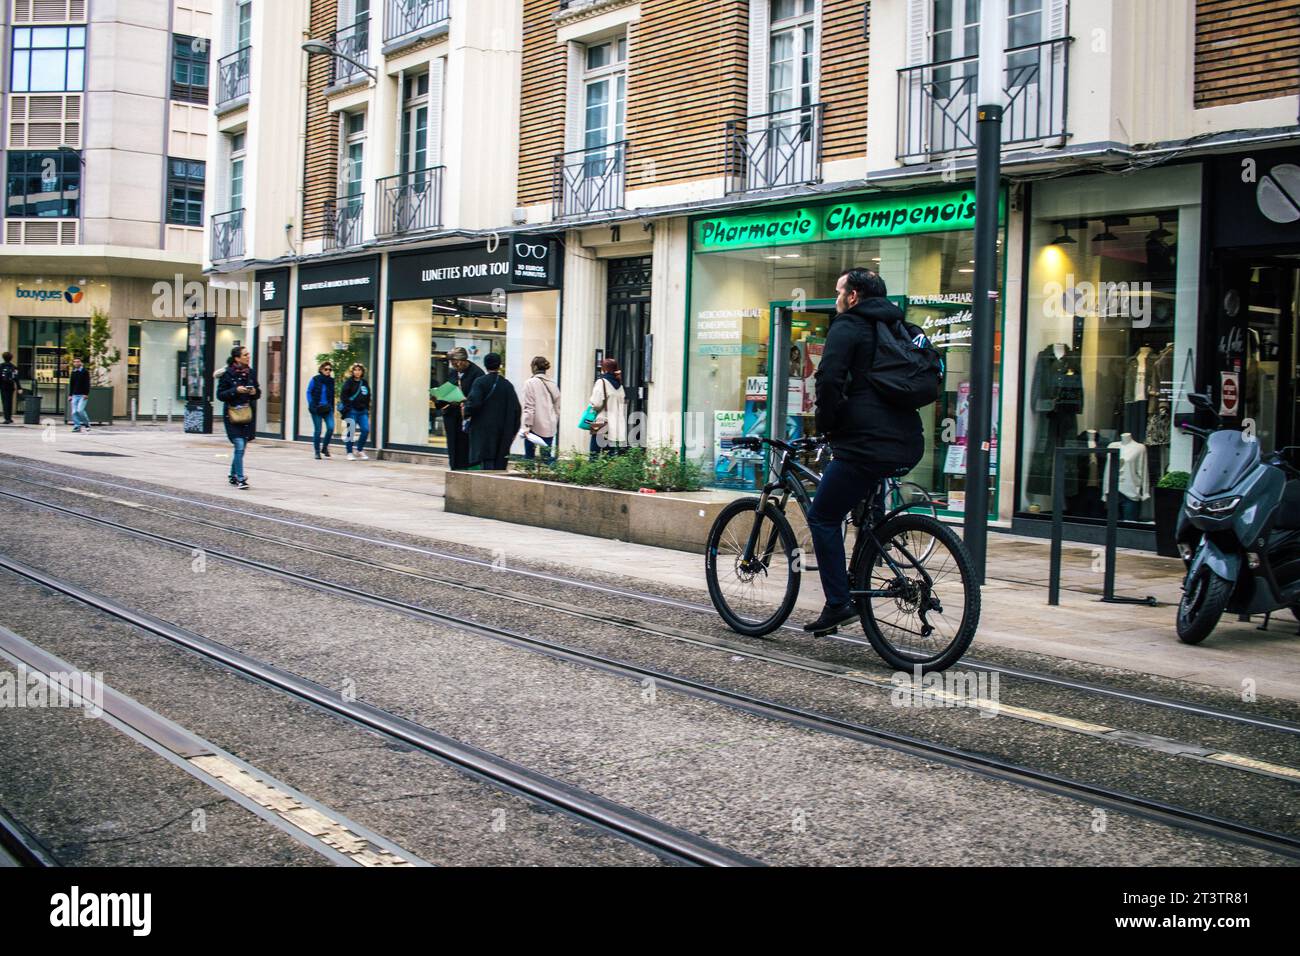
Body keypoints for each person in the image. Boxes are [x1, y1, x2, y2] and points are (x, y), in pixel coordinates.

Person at [802, 268, 925, 635]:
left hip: (865, 444)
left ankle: (838, 603)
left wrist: (827, 426)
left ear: (853, 296)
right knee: (863, 515)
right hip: (907, 442)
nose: (836, 297)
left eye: (839, 290)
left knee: (823, 516)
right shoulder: (903, 328)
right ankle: (867, 559)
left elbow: (828, 380)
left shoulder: (848, 326)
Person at [464, 352, 521, 471]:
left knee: (485, 462)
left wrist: (465, 410)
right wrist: (513, 431)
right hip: (502, 432)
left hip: (483, 431)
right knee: (499, 464)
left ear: (485, 365)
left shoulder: (480, 382)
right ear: (500, 365)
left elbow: (473, 404)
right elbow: (516, 410)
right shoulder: (507, 385)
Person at [216, 346, 261, 490]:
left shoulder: (251, 373)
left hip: (247, 414)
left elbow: (258, 392)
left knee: (242, 446)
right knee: (239, 445)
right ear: (237, 358)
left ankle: (233, 474)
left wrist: (254, 392)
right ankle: (240, 479)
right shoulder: (227, 374)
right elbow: (220, 395)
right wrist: (235, 390)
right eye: (245, 355)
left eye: (248, 354)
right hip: (232, 414)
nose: (248, 356)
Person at [438, 347, 483, 470]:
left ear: (464, 360)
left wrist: (463, 401)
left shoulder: (477, 374)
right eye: (453, 364)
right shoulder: (453, 372)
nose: (455, 366)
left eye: (457, 363)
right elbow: (448, 388)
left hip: (465, 416)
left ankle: (463, 469)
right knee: (452, 445)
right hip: (451, 414)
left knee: (464, 445)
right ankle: (453, 467)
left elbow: (477, 397)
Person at [519, 355, 561, 462]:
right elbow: (557, 406)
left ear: (534, 367)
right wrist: (554, 420)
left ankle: (530, 476)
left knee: (529, 458)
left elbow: (529, 407)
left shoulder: (530, 383)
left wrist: (526, 427)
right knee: (546, 457)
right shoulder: (552, 383)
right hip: (549, 426)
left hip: (534, 426)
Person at [589, 358, 627, 456]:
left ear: (604, 369)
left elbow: (596, 403)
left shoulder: (601, 382)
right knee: (610, 455)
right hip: (616, 424)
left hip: (602, 423)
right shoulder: (620, 385)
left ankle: (594, 472)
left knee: (595, 454)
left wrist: (592, 407)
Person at [339, 363, 372, 461]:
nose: (357, 372)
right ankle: (349, 452)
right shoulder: (349, 382)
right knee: (351, 431)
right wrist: (348, 407)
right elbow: (343, 396)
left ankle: (359, 449)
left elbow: (368, 395)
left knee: (365, 430)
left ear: (362, 372)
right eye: (355, 370)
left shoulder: (364, 383)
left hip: (363, 411)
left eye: (359, 370)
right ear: (352, 371)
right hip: (352, 411)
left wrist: (366, 407)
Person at [306, 361, 336, 459]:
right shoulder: (315, 379)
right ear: (321, 370)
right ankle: (317, 452)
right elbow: (309, 392)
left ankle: (325, 447)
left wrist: (332, 407)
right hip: (316, 408)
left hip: (328, 408)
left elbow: (332, 396)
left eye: (330, 369)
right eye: (326, 369)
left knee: (331, 428)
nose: (328, 371)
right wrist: (311, 403)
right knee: (318, 430)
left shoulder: (331, 381)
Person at [68, 355, 91, 433]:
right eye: (75, 362)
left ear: (81, 363)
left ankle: (87, 424)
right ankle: (77, 426)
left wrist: (86, 393)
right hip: (74, 395)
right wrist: (70, 395)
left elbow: (87, 383)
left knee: (80, 410)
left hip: (82, 395)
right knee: (74, 412)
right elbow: (71, 384)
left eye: (78, 362)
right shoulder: (73, 372)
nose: (76, 363)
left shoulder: (85, 372)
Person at [0, 352, 20, 424]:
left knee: (5, 402)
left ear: (3, 358)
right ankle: (9, 418)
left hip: (3, 386)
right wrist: (19, 387)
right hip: (11, 386)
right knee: (10, 402)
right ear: (11, 358)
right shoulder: (14, 367)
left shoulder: (1, 366)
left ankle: (6, 418)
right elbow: (16, 378)